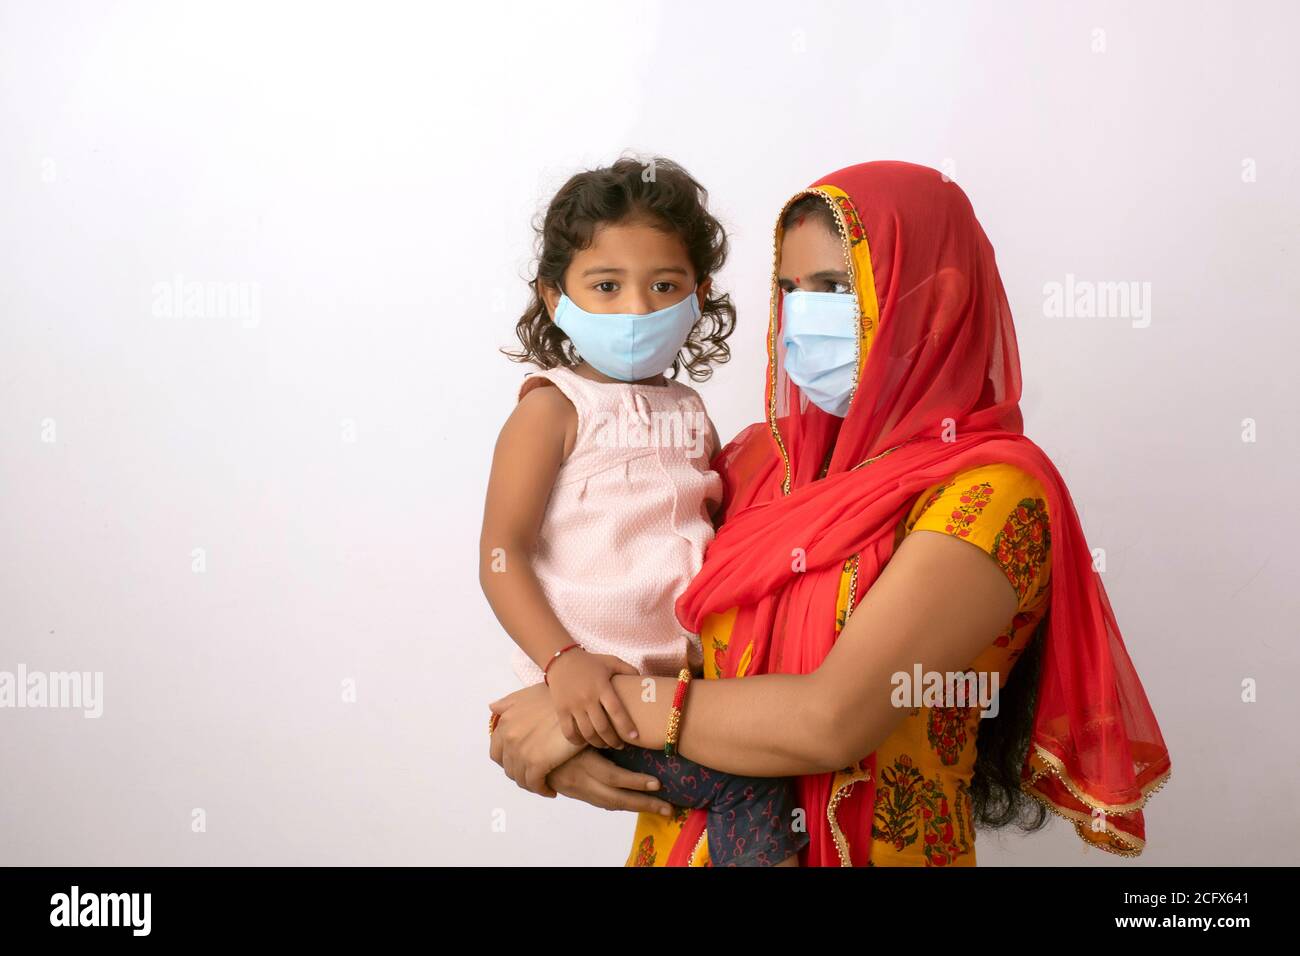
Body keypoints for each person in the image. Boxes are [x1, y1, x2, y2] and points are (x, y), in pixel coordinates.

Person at [488, 160, 1172, 866]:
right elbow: (610, 593)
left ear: (935, 301)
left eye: (836, 289)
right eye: (790, 289)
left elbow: (831, 720)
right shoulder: (756, 465)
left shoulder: (990, 496)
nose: (801, 315)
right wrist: (551, 723)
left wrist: (581, 711)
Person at [480, 156, 810, 866]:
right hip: (594, 694)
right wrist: (563, 663)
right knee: (754, 783)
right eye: (605, 286)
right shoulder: (552, 410)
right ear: (553, 295)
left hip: (683, 691)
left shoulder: (691, 413)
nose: (636, 310)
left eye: (665, 286)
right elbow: (499, 554)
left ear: (701, 294)